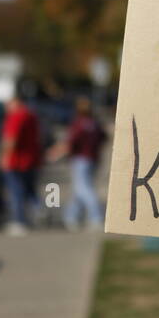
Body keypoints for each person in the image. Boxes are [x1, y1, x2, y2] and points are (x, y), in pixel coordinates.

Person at [49, 96, 105, 230]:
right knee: (77, 189)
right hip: (93, 159)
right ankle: (71, 217)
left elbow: (70, 142)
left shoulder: (78, 124)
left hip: (80, 160)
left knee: (83, 189)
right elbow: (104, 137)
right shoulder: (94, 123)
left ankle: (96, 216)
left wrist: (54, 153)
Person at [0, 94, 42, 235]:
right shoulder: (31, 115)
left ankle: (19, 221)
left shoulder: (16, 116)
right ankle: (40, 212)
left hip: (16, 161)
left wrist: (4, 157)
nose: (6, 108)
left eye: (7, 104)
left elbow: (11, 139)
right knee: (30, 191)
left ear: (15, 102)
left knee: (16, 192)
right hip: (31, 159)